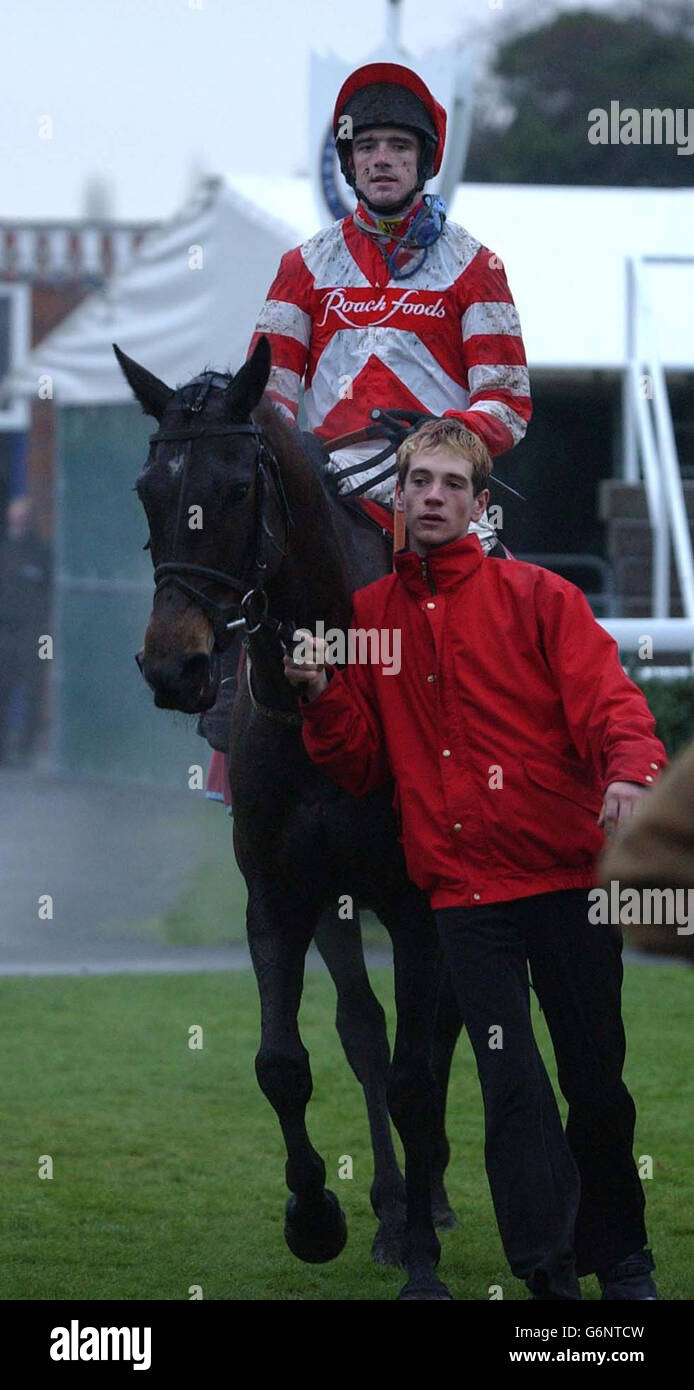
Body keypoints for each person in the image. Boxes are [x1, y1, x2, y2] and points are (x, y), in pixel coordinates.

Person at [284, 417, 665, 1301]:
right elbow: (364, 764)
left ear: (480, 505)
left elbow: (611, 702)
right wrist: (318, 700)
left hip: (570, 879)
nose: (433, 498)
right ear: (397, 500)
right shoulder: (369, 622)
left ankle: (627, 1265)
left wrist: (632, 777)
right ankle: (549, 1280)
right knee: (512, 1092)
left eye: (453, 485)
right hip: (463, 898)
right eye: (419, 483)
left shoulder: (541, 599)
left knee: (596, 1090)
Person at [201, 59, 531, 756]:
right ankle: (234, 707)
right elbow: (267, 398)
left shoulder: (479, 266)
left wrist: (444, 442)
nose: (383, 160)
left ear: (423, 161)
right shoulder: (304, 264)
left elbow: (506, 402)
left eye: (399, 147)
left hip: (435, 482)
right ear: (349, 163)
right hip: (323, 478)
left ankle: (503, 751)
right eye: (367, 147)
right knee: (251, 557)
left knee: (506, 597)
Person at [0, 496, 51, 765]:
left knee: (34, 691)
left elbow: (51, 595)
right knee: (3, 690)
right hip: (5, 632)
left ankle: (26, 751)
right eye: (14, 514)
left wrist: (47, 636)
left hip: (37, 635)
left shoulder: (42, 553)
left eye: (23, 514)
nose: (18, 519)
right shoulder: (4, 550)